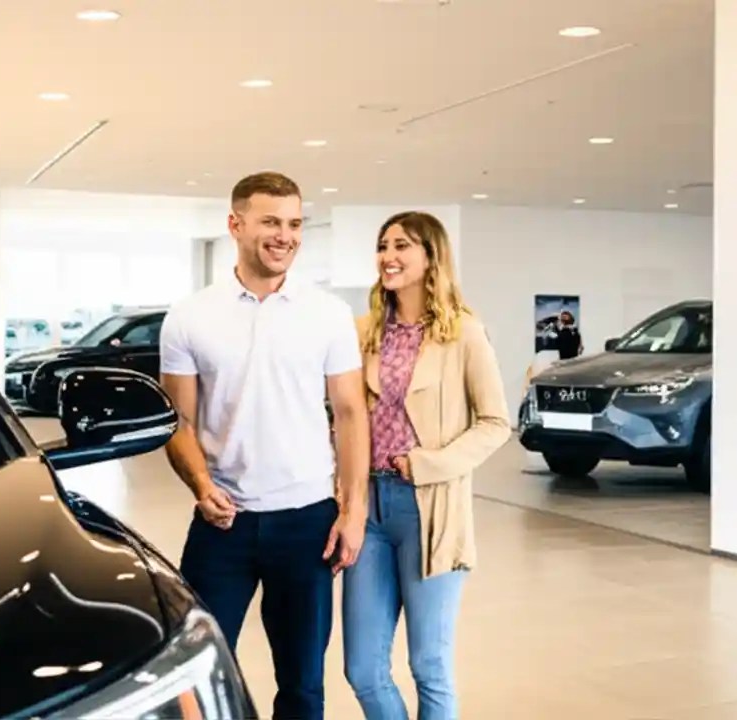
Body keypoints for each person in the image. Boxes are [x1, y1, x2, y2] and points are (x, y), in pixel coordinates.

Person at [158, 171, 370, 720]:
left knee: (302, 684)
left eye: (296, 223)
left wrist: (354, 510)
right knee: (194, 674)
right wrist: (202, 485)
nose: (286, 235)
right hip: (221, 524)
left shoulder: (328, 313)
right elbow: (178, 420)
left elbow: (350, 413)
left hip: (307, 523)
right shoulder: (190, 315)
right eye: (271, 221)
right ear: (236, 224)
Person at [342, 211, 510, 720]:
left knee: (429, 664)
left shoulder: (464, 333)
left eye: (402, 246)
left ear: (431, 256)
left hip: (429, 509)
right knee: (363, 670)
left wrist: (430, 464)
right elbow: (345, 415)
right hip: (366, 510)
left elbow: (496, 422)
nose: (388, 256)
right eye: (383, 245)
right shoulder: (364, 330)